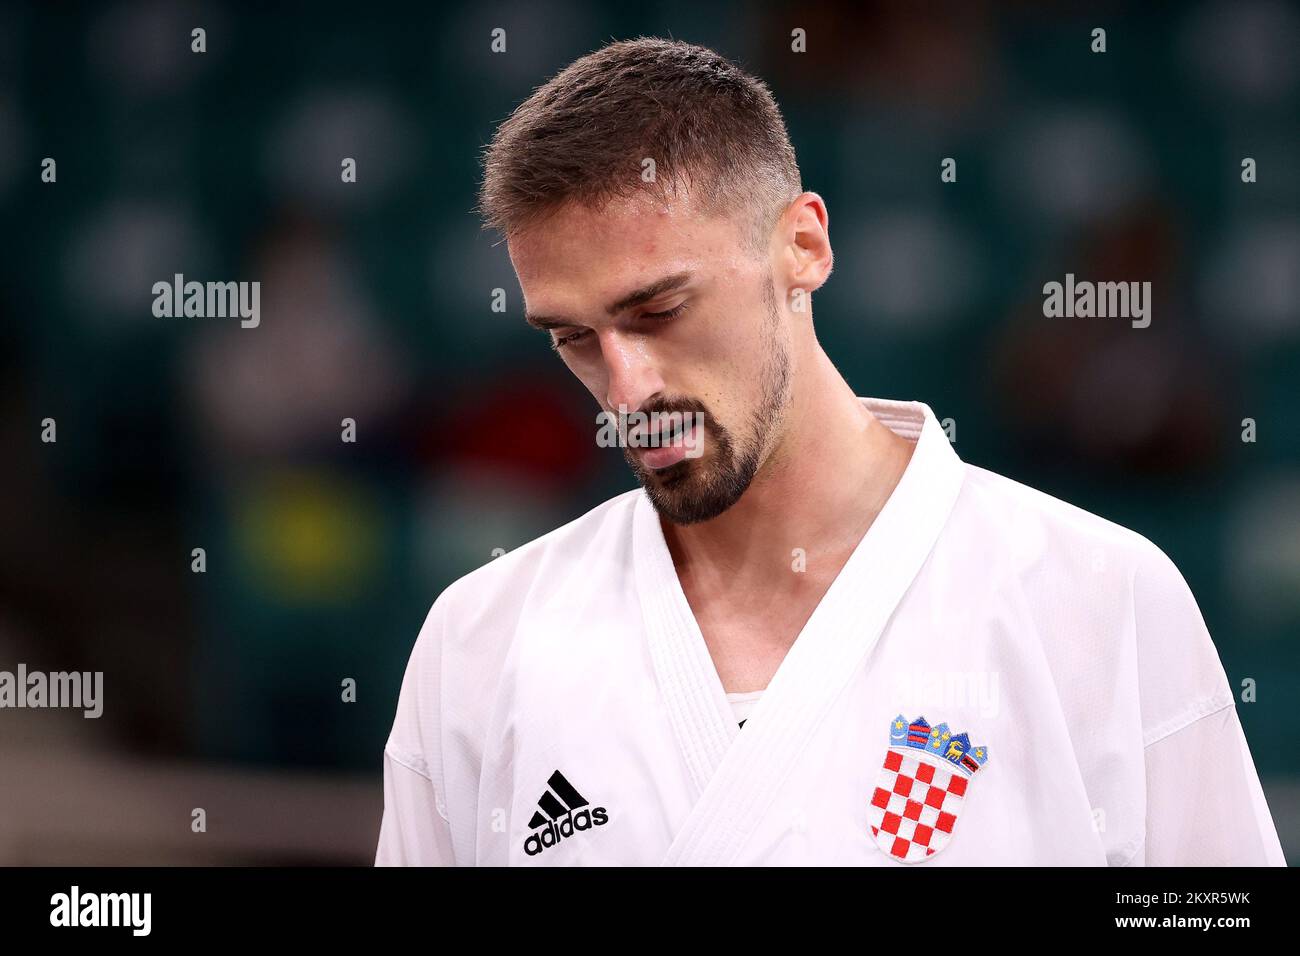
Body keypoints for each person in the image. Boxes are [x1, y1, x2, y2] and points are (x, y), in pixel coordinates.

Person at [375, 37, 1285, 866]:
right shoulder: (478, 642)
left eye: (659, 311)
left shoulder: (1103, 599)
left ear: (802, 245)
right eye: (572, 337)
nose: (627, 391)